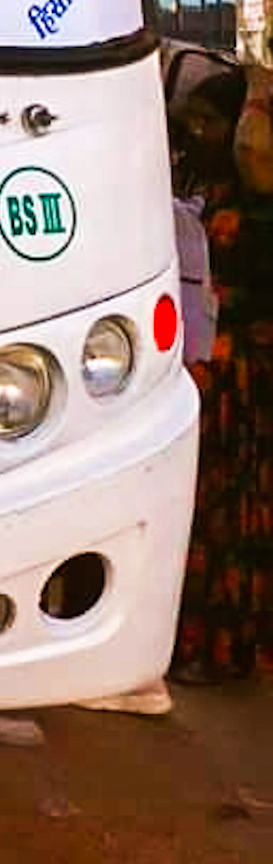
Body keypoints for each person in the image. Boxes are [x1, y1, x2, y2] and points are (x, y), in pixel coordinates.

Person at [166, 52, 273, 684]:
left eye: (210, 123)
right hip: (210, 376)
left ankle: (219, 650)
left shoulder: (256, 211)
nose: (196, 133)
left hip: (239, 389)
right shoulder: (207, 194)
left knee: (224, 519)